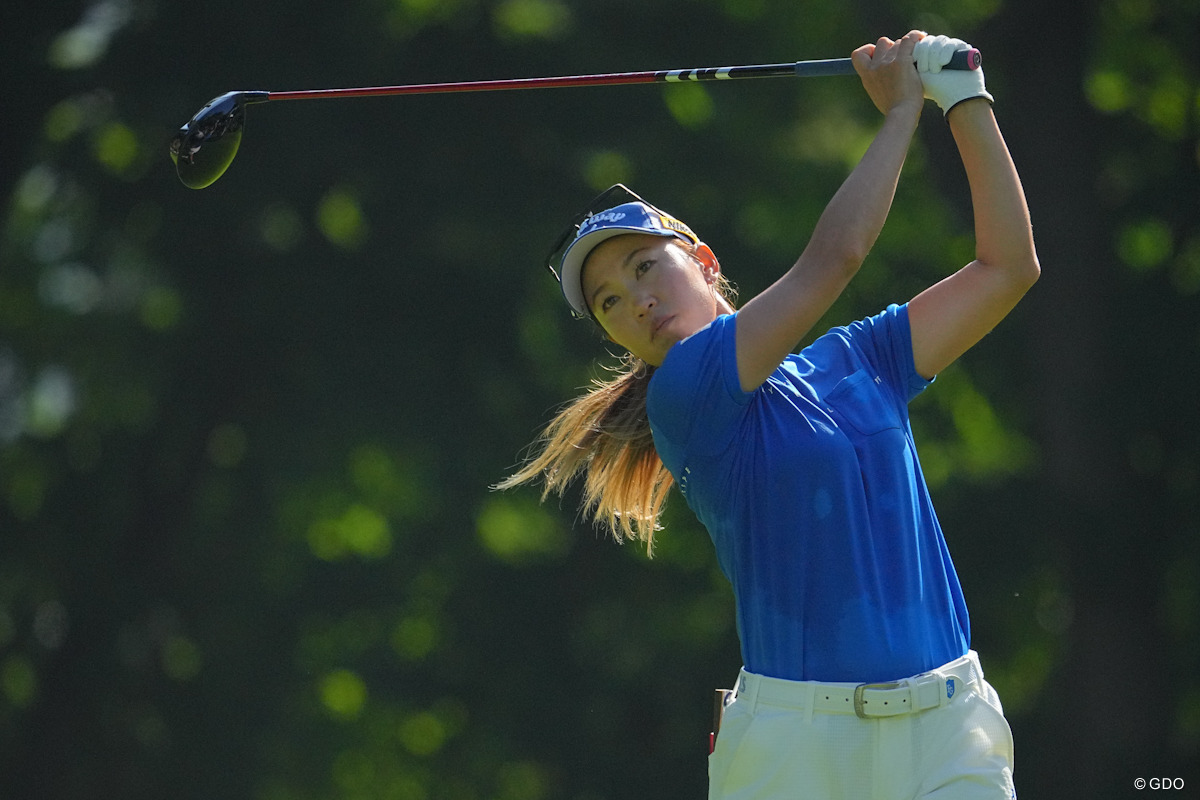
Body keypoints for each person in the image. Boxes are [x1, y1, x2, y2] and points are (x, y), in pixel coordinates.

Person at [498, 31, 1038, 799]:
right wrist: (901, 114)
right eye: (610, 303)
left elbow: (1008, 268)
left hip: (951, 729)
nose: (637, 302)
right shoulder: (683, 394)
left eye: (646, 266)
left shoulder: (860, 360)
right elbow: (836, 258)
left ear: (705, 261)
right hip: (800, 749)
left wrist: (965, 99)